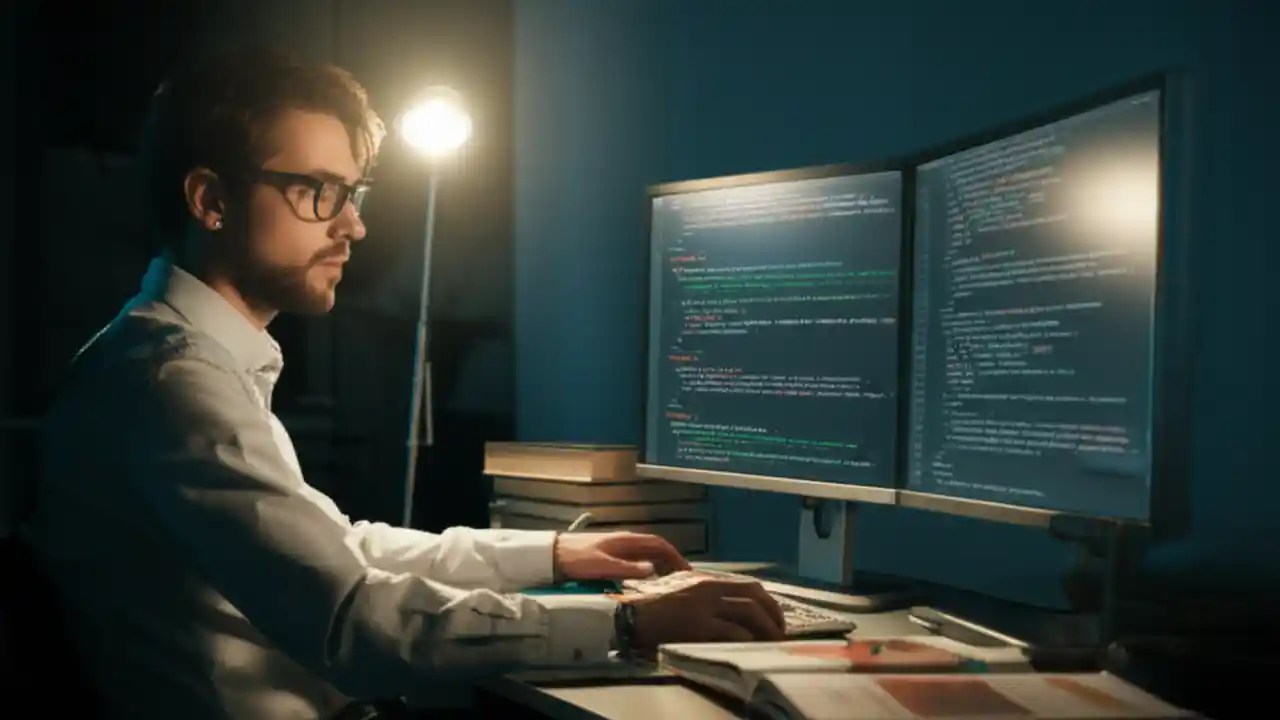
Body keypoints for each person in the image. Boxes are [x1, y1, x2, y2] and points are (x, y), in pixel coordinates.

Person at [22, 46, 785, 720]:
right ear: (210, 200)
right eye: (317, 190)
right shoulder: (173, 386)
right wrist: (625, 626)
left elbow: (338, 548)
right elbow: (353, 620)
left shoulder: (181, 361)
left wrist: (551, 554)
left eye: (354, 193)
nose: (351, 225)